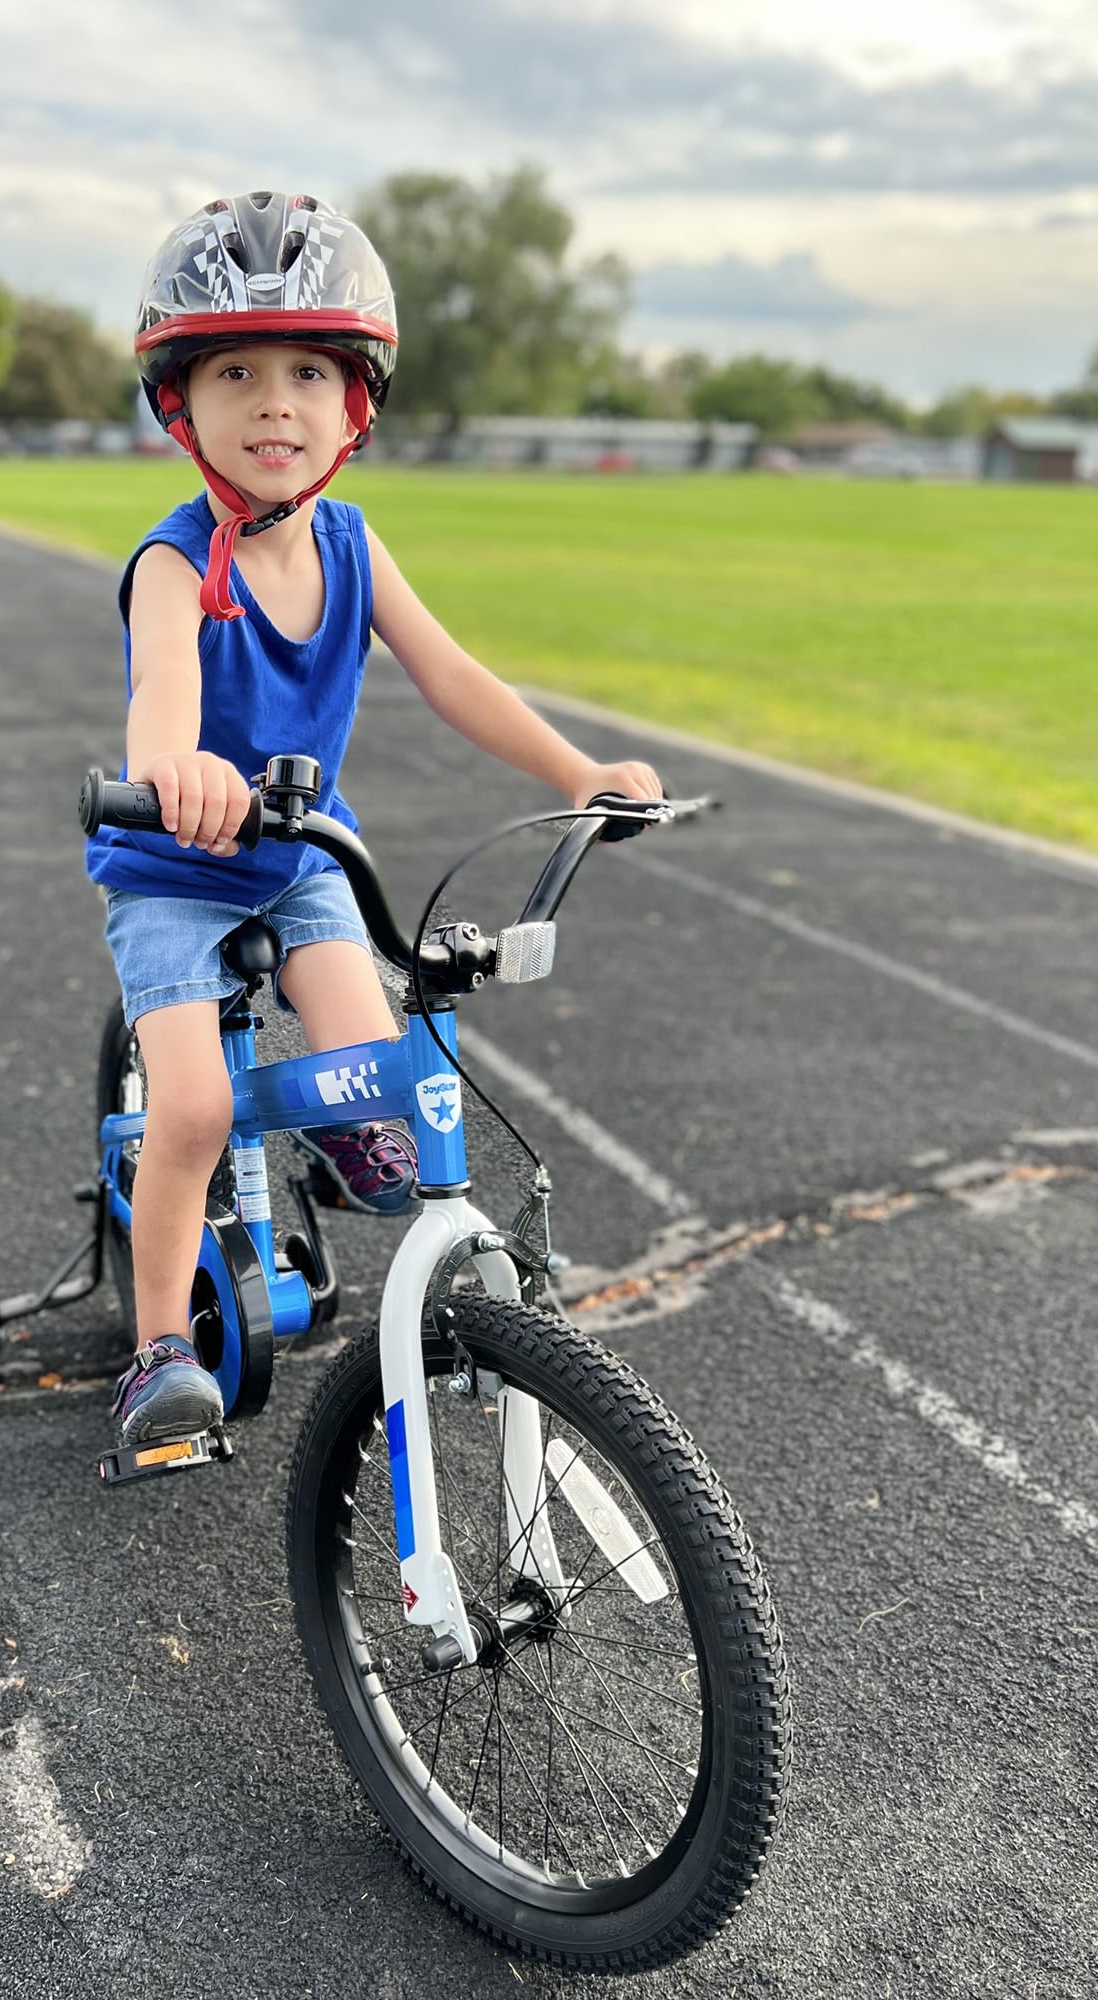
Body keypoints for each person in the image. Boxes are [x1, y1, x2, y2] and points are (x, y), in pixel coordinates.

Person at [90, 190, 661, 1448]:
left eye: (308, 369)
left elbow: (454, 676)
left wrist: (576, 771)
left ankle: (344, 1147)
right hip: (175, 864)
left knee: (377, 1064)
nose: (275, 401)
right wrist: (178, 770)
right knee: (187, 1108)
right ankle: (155, 1354)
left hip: (299, 855)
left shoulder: (352, 544)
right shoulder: (177, 564)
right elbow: (160, 699)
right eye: (234, 371)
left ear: (357, 403)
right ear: (181, 404)